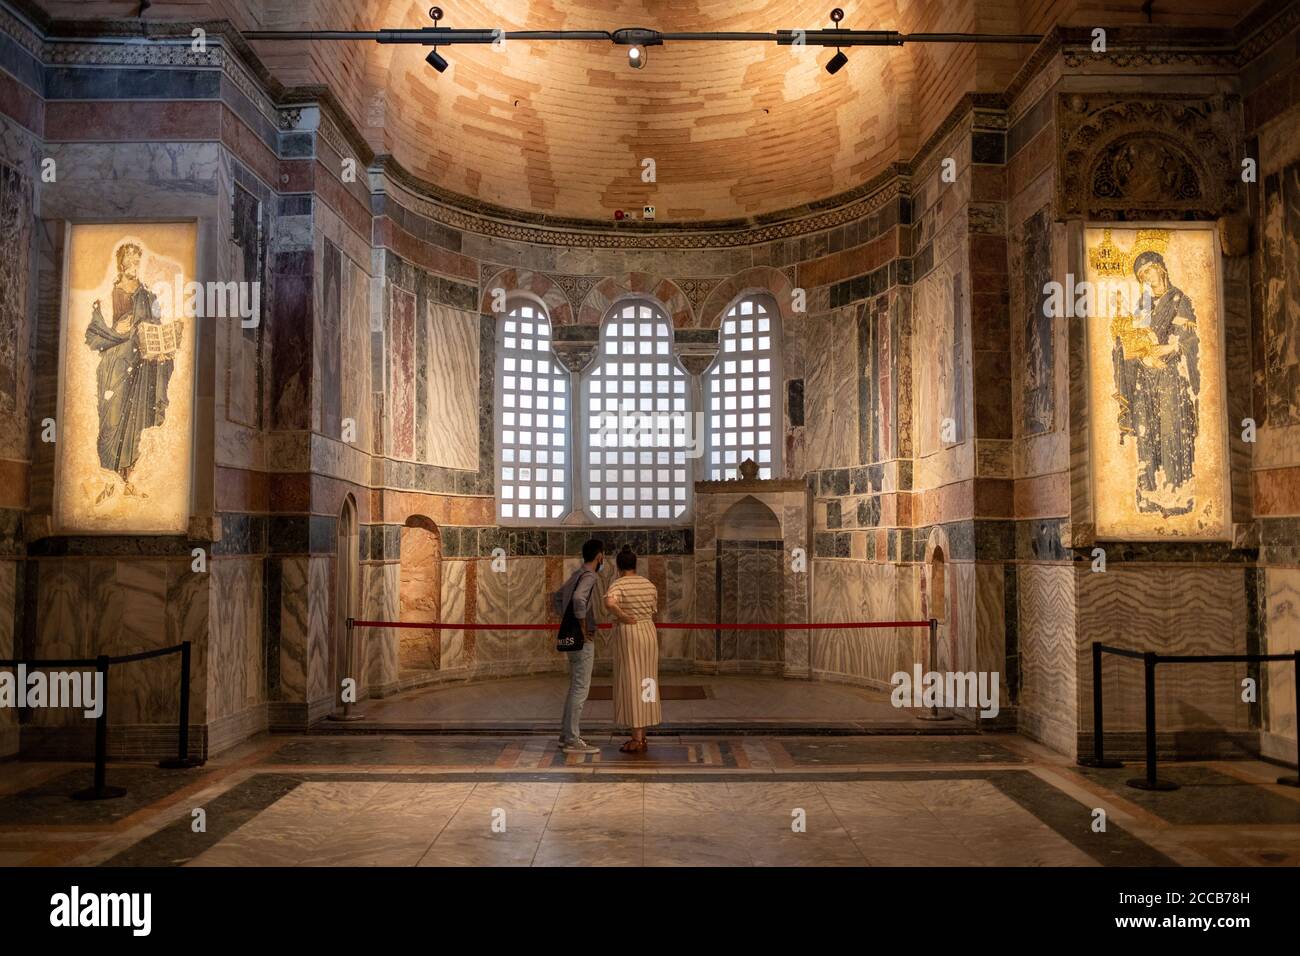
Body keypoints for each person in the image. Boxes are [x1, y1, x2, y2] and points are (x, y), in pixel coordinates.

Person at [604, 546, 661, 753]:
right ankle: (643, 734)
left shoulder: (619, 584)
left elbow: (609, 602)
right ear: (635, 565)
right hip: (648, 632)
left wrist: (623, 616)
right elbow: (653, 610)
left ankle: (636, 739)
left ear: (619, 566)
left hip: (631, 633)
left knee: (632, 681)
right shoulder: (649, 584)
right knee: (647, 680)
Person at [554, 538, 603, 754]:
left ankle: (566, 735)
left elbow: (557, 598)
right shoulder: (590, 576)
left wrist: (567, 621)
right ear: (599, 556)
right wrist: (581, 626)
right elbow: (578, 599)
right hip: (582, 640)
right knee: (581, 688)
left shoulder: (577, 574)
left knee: (575, 686)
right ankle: (572, 738)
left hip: (572, 638)